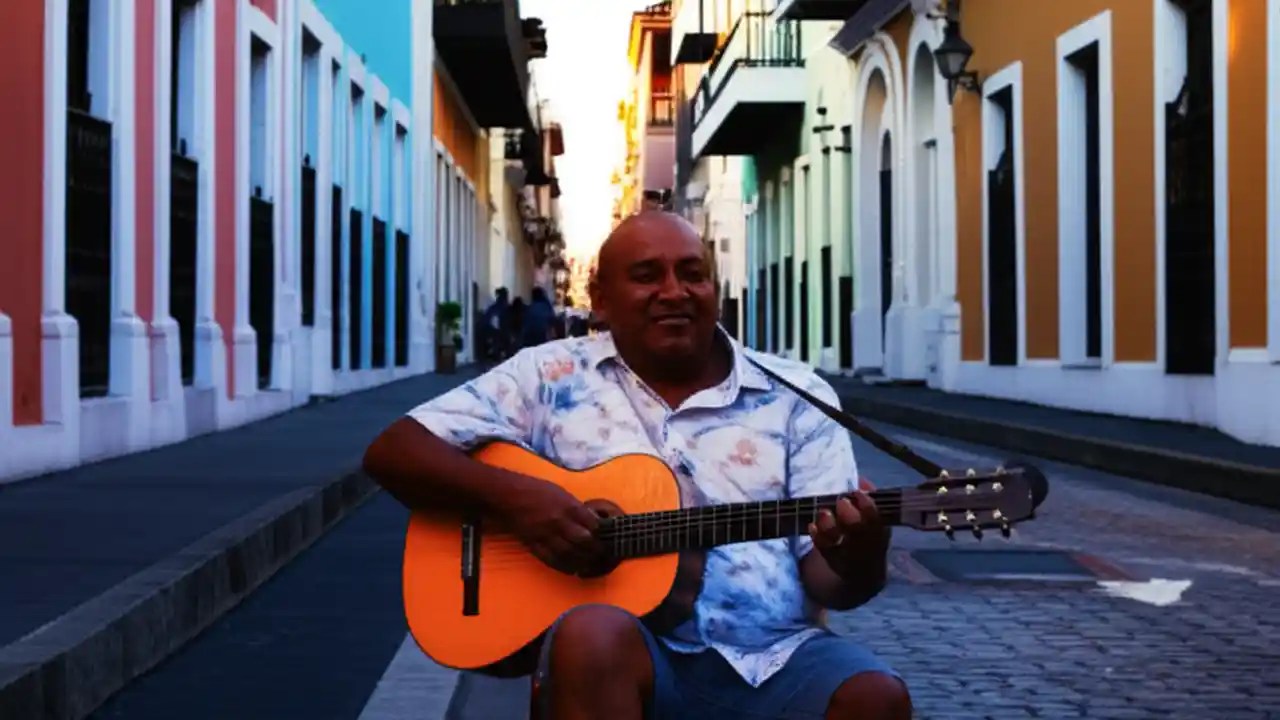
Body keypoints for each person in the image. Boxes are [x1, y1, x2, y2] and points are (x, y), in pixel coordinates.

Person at [362, 211, 911, 720]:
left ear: (714, 291)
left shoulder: (796, 394)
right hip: (621, 657)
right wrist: (519, 500)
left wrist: (863, 555)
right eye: (647, 275)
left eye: (692, 274)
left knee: (876, 695)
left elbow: (833, 584)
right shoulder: (549, 375)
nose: (674, 292)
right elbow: (395, 451)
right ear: (600, 298)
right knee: (595, 634)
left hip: (776, 655)